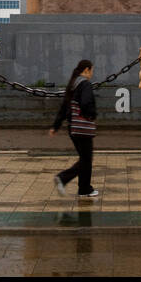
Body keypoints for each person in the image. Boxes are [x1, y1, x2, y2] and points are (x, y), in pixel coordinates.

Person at [48, 59, 99, 198]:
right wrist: (91, 115)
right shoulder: (85, 84)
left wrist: (56, 126)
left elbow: (64, 106)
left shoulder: (73, 84)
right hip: (82, 128)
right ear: (87, 70)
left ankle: (84, 189)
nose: (92, 74)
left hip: (73, 128)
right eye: (92, 71)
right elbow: (86, 102)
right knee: (86, 160)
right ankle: (63, 178)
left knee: (85, 158)